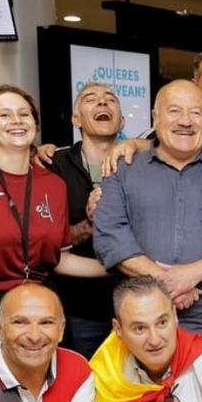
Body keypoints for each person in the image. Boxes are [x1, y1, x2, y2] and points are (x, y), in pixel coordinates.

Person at [93, 80, 202, 360]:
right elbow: (111, 237)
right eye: (174, 111)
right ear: (155, 118)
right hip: (141, 329)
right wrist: (167, 281)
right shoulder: (123, 170)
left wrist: (192, 273)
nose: (185, 121)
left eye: (195, 112)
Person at [0, 85, 107, 356]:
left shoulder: (53, 184)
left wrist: (122, 265)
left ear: (35, 125)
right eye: (5, 115)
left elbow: (59, 258)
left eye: (24, 114)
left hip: (41, 305)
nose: (17, 121)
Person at [50, 82, 124, 357]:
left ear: (122, 119)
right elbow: (49, 244)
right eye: (91, 99)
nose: (103, 103)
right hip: (79, 308)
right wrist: (91, 224)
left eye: (110, 99)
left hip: (134, 304)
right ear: (75, 119)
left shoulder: (141, 163)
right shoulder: (53, 165)